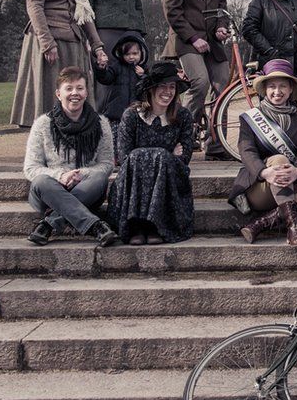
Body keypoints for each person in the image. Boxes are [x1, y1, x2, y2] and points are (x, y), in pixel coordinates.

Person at [11, 0, 109, 127]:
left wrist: (98, 46)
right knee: (49, 102)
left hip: (74, 43)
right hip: (49, 43)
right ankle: (45, 147)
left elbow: (84, 13)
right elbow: (34, 7)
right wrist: (47, 43)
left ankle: (73, 147)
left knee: (75, 102)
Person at [229, 59, 297, 246]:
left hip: (290, 180)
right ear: (264, 89)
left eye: (282, 86)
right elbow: (246, 151)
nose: (277, 91)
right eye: (272, 86)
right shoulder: (250, 118)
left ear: (290, 90)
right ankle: (294, 229)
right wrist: (265, 172)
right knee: (279, 158)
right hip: (259, 186)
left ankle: (260, 224)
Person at [24, 66, 116, 246]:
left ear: (86, 92)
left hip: (86, 188)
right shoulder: (43, 124)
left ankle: (49, 224)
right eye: (69, 88)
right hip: (49, 193)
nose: (75, 93)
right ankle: (95, 225)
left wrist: (82, 174)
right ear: (58, 94)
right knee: (41, 181)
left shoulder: (101, 124)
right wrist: (61, 176)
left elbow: (106, 164)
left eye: (80, 88)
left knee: (99, 178)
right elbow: (31, 168)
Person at [107, 61, 194, 245]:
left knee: (155, 158)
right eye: (162, 86)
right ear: (150, 89)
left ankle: (157, 224)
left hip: (169, 181)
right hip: (133, 181)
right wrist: (167, 152)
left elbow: (184, 158)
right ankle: (137, 224)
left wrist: (160, 157)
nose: (168, 92)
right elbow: (125, 157)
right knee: (144, 158)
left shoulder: (183, 116)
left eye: (172, 87)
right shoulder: (131, 115)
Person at [161, 0, 230, 160]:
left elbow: (222, 11)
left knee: (224, 89)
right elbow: (172, 11)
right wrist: (193, 38)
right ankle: (182, 137)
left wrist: (221, 28)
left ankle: (217, 145)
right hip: (186, 41)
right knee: (200, 82)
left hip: (213, 44)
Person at [94, 32, 149, 140]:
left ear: (141, 53)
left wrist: (143, 76)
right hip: (116, 113)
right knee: (114, 138)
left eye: (135, 53)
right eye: (127, 54)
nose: (131, 57)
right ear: (121, 54)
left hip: (137, 114)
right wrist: (101, 69)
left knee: (133, 139)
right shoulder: (117, 66)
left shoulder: (144, 69)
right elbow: (106, 78)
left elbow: (149, 87)